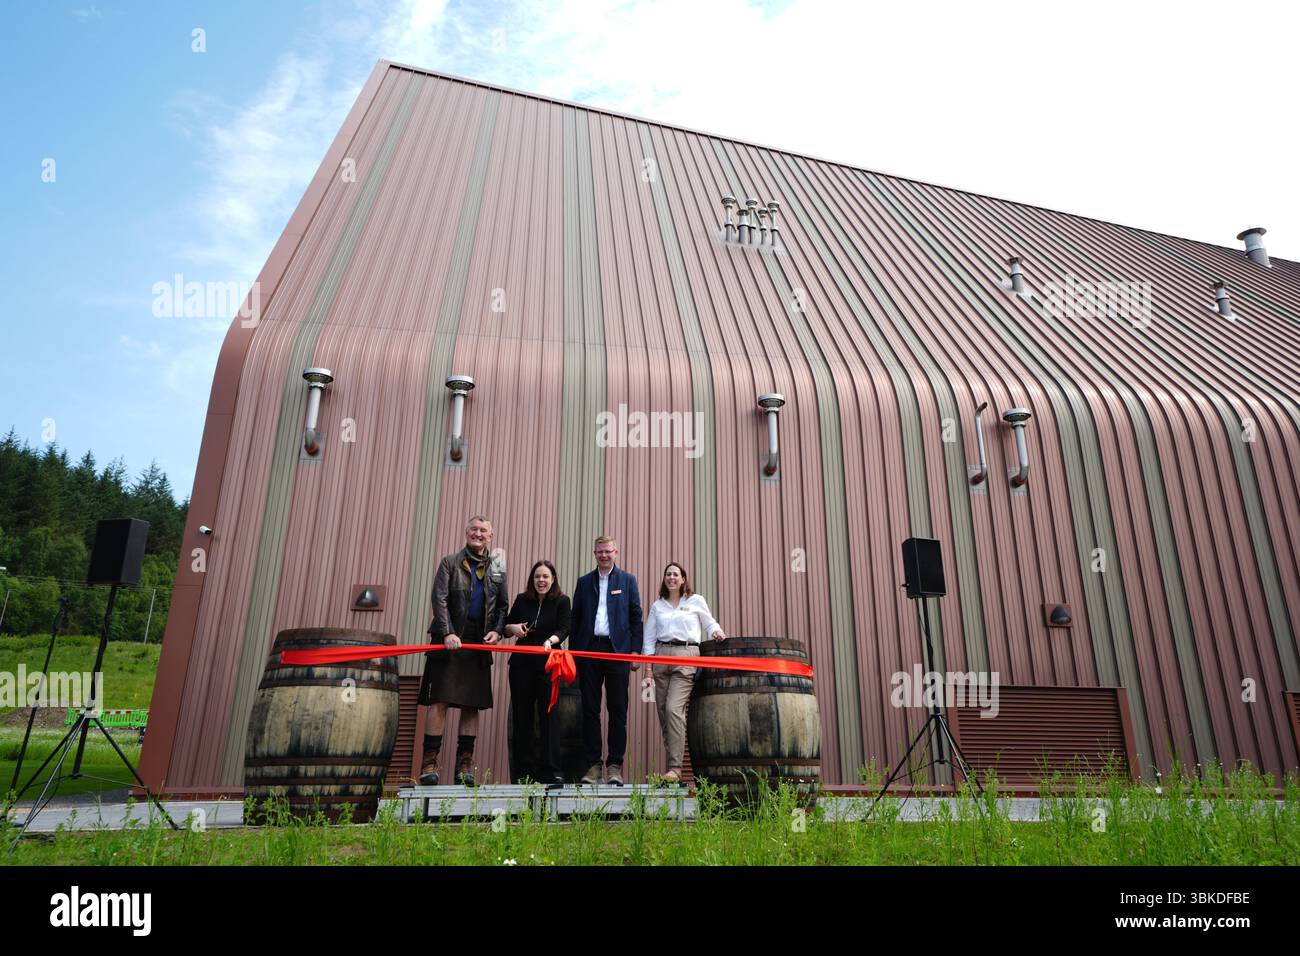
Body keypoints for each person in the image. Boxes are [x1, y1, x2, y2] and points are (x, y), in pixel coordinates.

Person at [418, 515, 507, 787]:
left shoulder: (497, 567)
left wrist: (498, 631)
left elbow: (502, 605)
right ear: (466, 533)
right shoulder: (450, 562)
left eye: (483, 531)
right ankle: (430, 764)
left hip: (478, 639)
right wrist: (446, 632)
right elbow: (439, 598)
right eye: (474, 530)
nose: (478, 534)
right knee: (439, 701)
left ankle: (464, 766)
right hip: (449, 636)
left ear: (490, 537)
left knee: (472, 703)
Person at [640, 562, 727, 783]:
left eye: (675, 574)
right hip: (661, 656)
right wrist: (648, 670)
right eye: (668, 574)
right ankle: (673, 770)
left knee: (673, 709)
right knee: (663, 713)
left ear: (683, 579)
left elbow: (709, 622)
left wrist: (716, 632)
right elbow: (649, 638)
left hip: (686, 655)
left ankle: (675, 768)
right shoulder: (657, 605)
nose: (671, 577)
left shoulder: (695, 601)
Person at [570, 535, 642, 786]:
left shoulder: (628, 581)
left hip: (617, 651)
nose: (604, 555)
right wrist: (575, 653)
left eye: (608, 551)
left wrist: (635, 651)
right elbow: (575, 618)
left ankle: (614, 766)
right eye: (599, 552)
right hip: (589, 651)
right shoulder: (584, 582)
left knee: (618, 709)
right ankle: (593, 765)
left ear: (616, 552)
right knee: (590, 709)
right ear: (595, 553)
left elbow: (636, 618)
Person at [503, 560, 571, 786]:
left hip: (549, 663)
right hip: (522, 664)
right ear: (532, 580)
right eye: (537, 577)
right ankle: (524, 772)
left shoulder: (562, 601)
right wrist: (514, 629)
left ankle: (551, 770)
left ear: (553, 579)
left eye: (545, 577)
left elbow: (564, 628)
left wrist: (550, 641)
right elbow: (507, 626)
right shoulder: (522, 600)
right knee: (522, 718)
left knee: (549, 717)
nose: (541, 581)